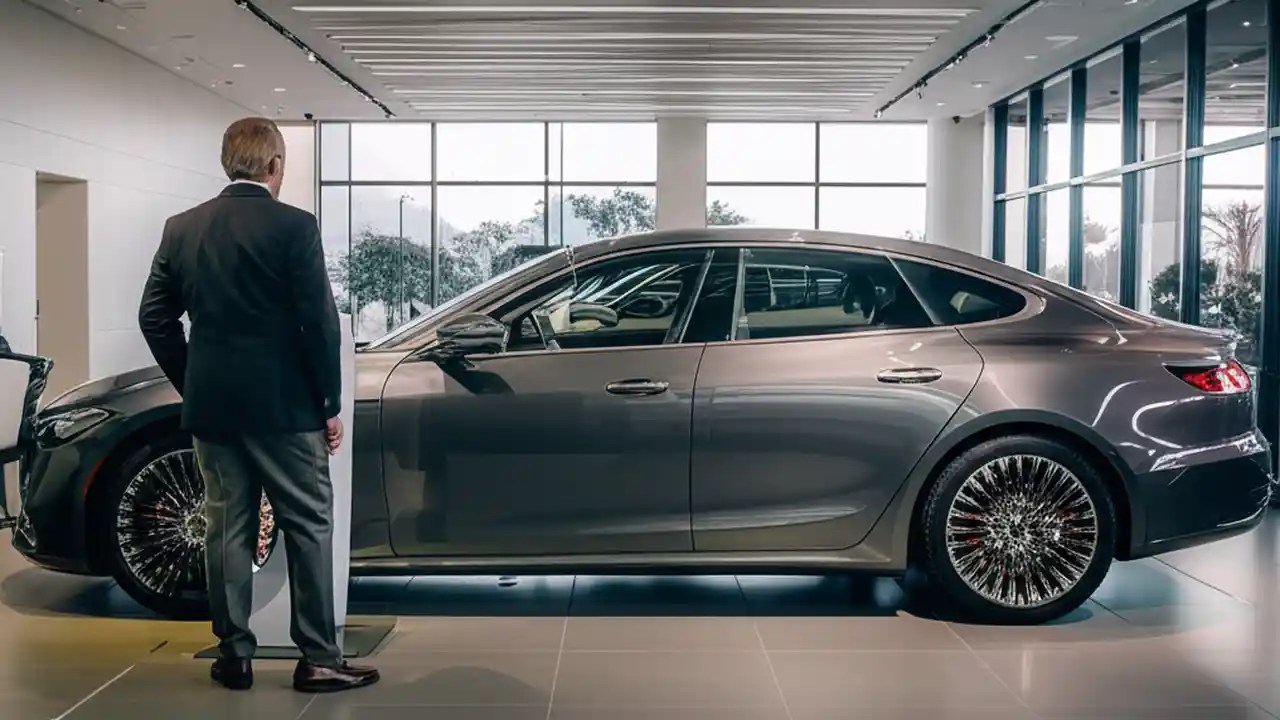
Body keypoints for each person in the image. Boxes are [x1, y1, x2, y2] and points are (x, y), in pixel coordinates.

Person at [138, 117, 378, 694]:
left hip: (214, 410)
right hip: (285, 408)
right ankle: (318, 657)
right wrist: (328, 402)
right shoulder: (295, 227)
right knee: (309, 524)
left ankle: (233, 656)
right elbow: (319, 323)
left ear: (229, 162)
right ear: (275, 165)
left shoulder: (181, 228)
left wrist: (195, 378)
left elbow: (155, 317)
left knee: (226, 527)